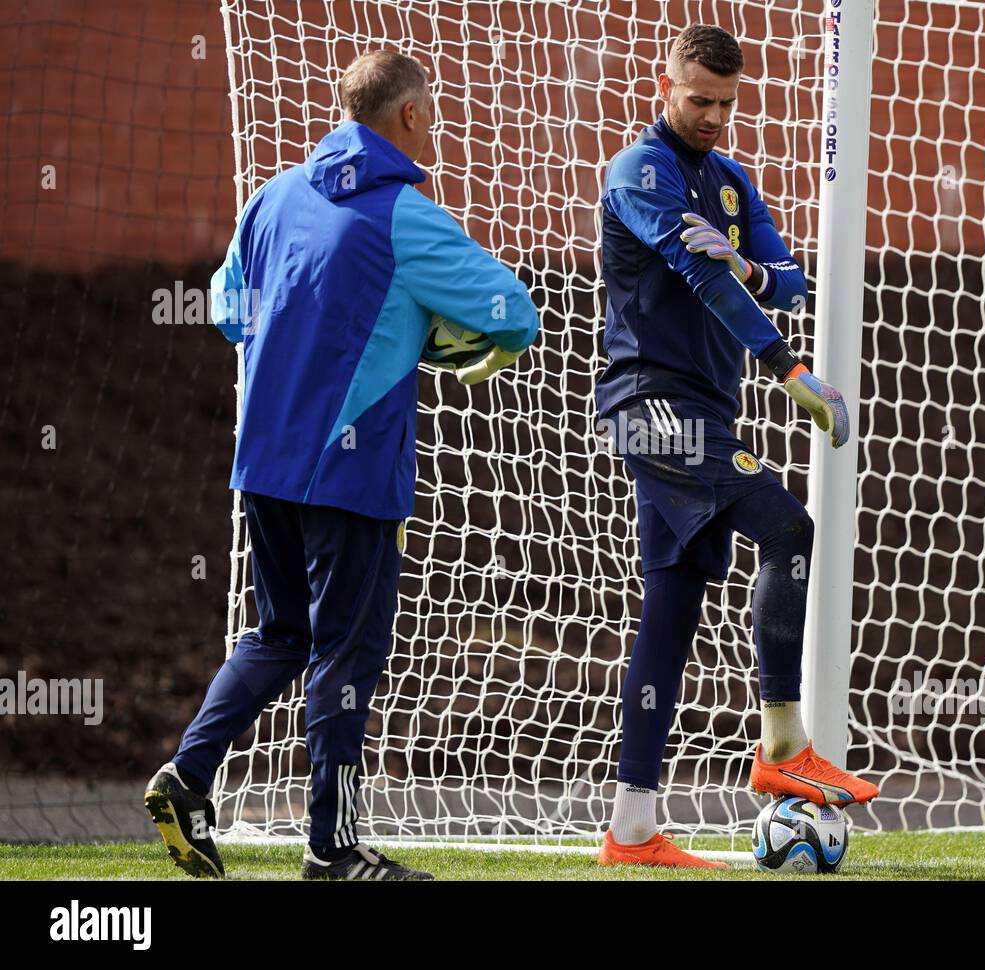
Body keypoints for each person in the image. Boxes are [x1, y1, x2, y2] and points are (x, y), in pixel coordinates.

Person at [144, 49, 539, 880]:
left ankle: (186, 776)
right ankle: (332, 849)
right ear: (411, 116)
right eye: (429, 110)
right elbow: (517, 313)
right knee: (346, 657)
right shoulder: (406, 214)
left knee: (281, 634)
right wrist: (459, 348)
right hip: (351, 474)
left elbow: (227, 310)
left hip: (265, 465)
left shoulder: (273, 195)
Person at [594, 25, 878, 869]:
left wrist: (755, 271)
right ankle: (785, 743)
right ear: (664, 85)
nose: (712, 115)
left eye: (725, 102)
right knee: (788, 529)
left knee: (674, 605)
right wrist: (791, 372)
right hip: (651, 405)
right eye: (697, 99)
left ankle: (633, 831)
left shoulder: (729, 179)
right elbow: (700, 275)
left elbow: (785, 276)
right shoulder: (638, 172)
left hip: (707, 410)